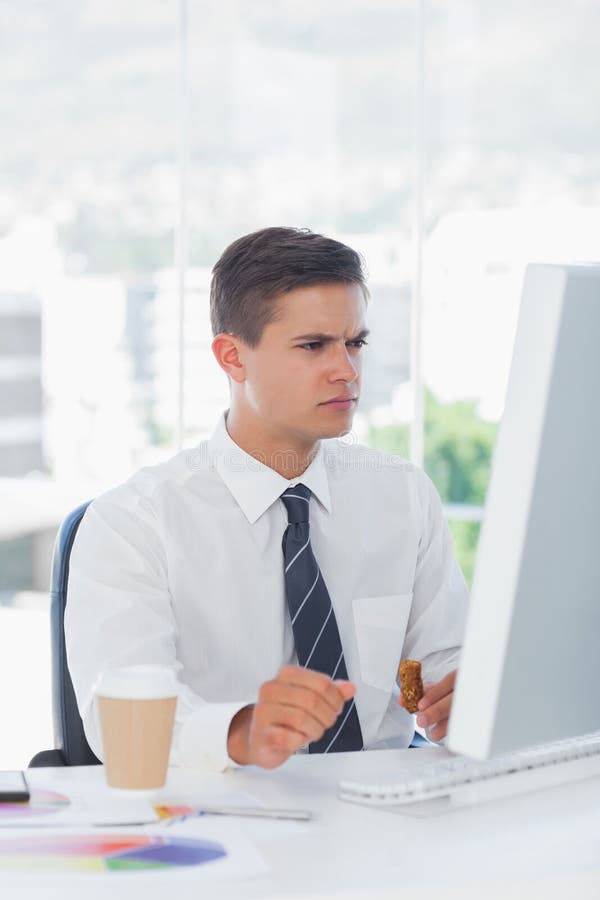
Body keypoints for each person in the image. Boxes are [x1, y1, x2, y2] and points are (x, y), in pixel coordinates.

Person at [65, 226, 468, 771]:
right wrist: (240, 731)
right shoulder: (132, 523)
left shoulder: (402, 495)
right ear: (232, 357)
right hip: (224, 813)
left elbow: (440, 660)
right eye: (313, 345)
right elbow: (120, 720)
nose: (346, 370)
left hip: (385, 809)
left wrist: (465, 691)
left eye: (355, 343)